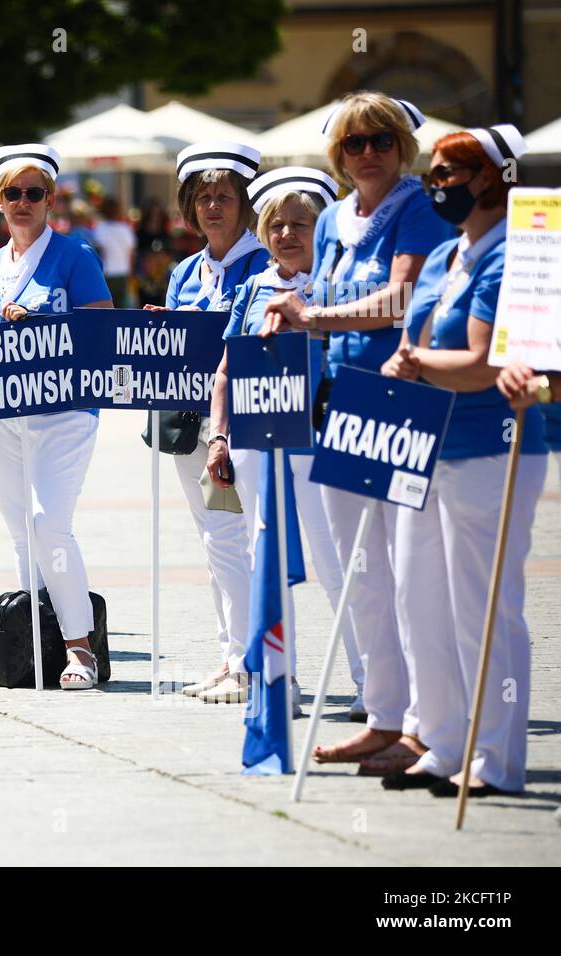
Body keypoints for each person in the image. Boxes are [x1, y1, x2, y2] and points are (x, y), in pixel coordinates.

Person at [263, 92, 455, 773]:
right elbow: (325, 298)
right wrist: (287, 315)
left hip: (403, 399)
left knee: (412, 574)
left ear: (403, 146)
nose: (367, 153)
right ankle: (382, 715)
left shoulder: (420, 210)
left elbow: (401, 301)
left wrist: (313, 318)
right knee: (358, 572)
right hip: (341, 402)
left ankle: (431, 728)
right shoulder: (339, 215)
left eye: (380, 140)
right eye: (353, 144)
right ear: (336, 156)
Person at [377, 125, 547, 796]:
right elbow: (413, 339)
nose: (436, 180)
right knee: (419, 599)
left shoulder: (514, 255)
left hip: (488, 447)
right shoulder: (449, 252)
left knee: (485, 608)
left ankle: (497, 761)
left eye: (452, 170)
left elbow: (481, 365)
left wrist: (417, 363)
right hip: (422, 444)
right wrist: (407, 360)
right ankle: (444, 742)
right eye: (434, 170)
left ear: (490, 177)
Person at [205, 166, 361, 716]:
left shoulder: (341, 289)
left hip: (321, 445)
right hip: (255, 444)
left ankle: (374, 687)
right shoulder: (251, 287)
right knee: (265, 562)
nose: (288, 234)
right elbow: (226, 369)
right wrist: (218, 437)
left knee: (338, 562)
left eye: (301, 224)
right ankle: (279, 680)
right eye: (277, 224)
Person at [0, 144, 114, 688]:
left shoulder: (75, 256)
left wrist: (40, 326)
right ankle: (38, 637)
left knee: (48, 524)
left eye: (34, 192)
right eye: (12, 193)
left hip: (65, 410)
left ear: (50, 199)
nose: (23, 202)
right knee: (19, 532)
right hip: (2, 414)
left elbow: (101, 329)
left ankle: (82, 650)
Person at [151, 139, 269, 705]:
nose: (213, 207)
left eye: (224, 196)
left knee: (233, 538)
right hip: (187, 420)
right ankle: (231, 657)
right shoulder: (185, 270)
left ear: (245, 203)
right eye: (202, 198)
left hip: (240, 423)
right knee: (212, 539)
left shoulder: (263, 263)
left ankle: (251, 663)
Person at [93, 196, 136, 307]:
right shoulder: (125, 229)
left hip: (107, 273)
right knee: (122, 309)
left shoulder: (100, 228)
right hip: (123, 272)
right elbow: (131, 253)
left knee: (107, 308)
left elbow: (99, 253)